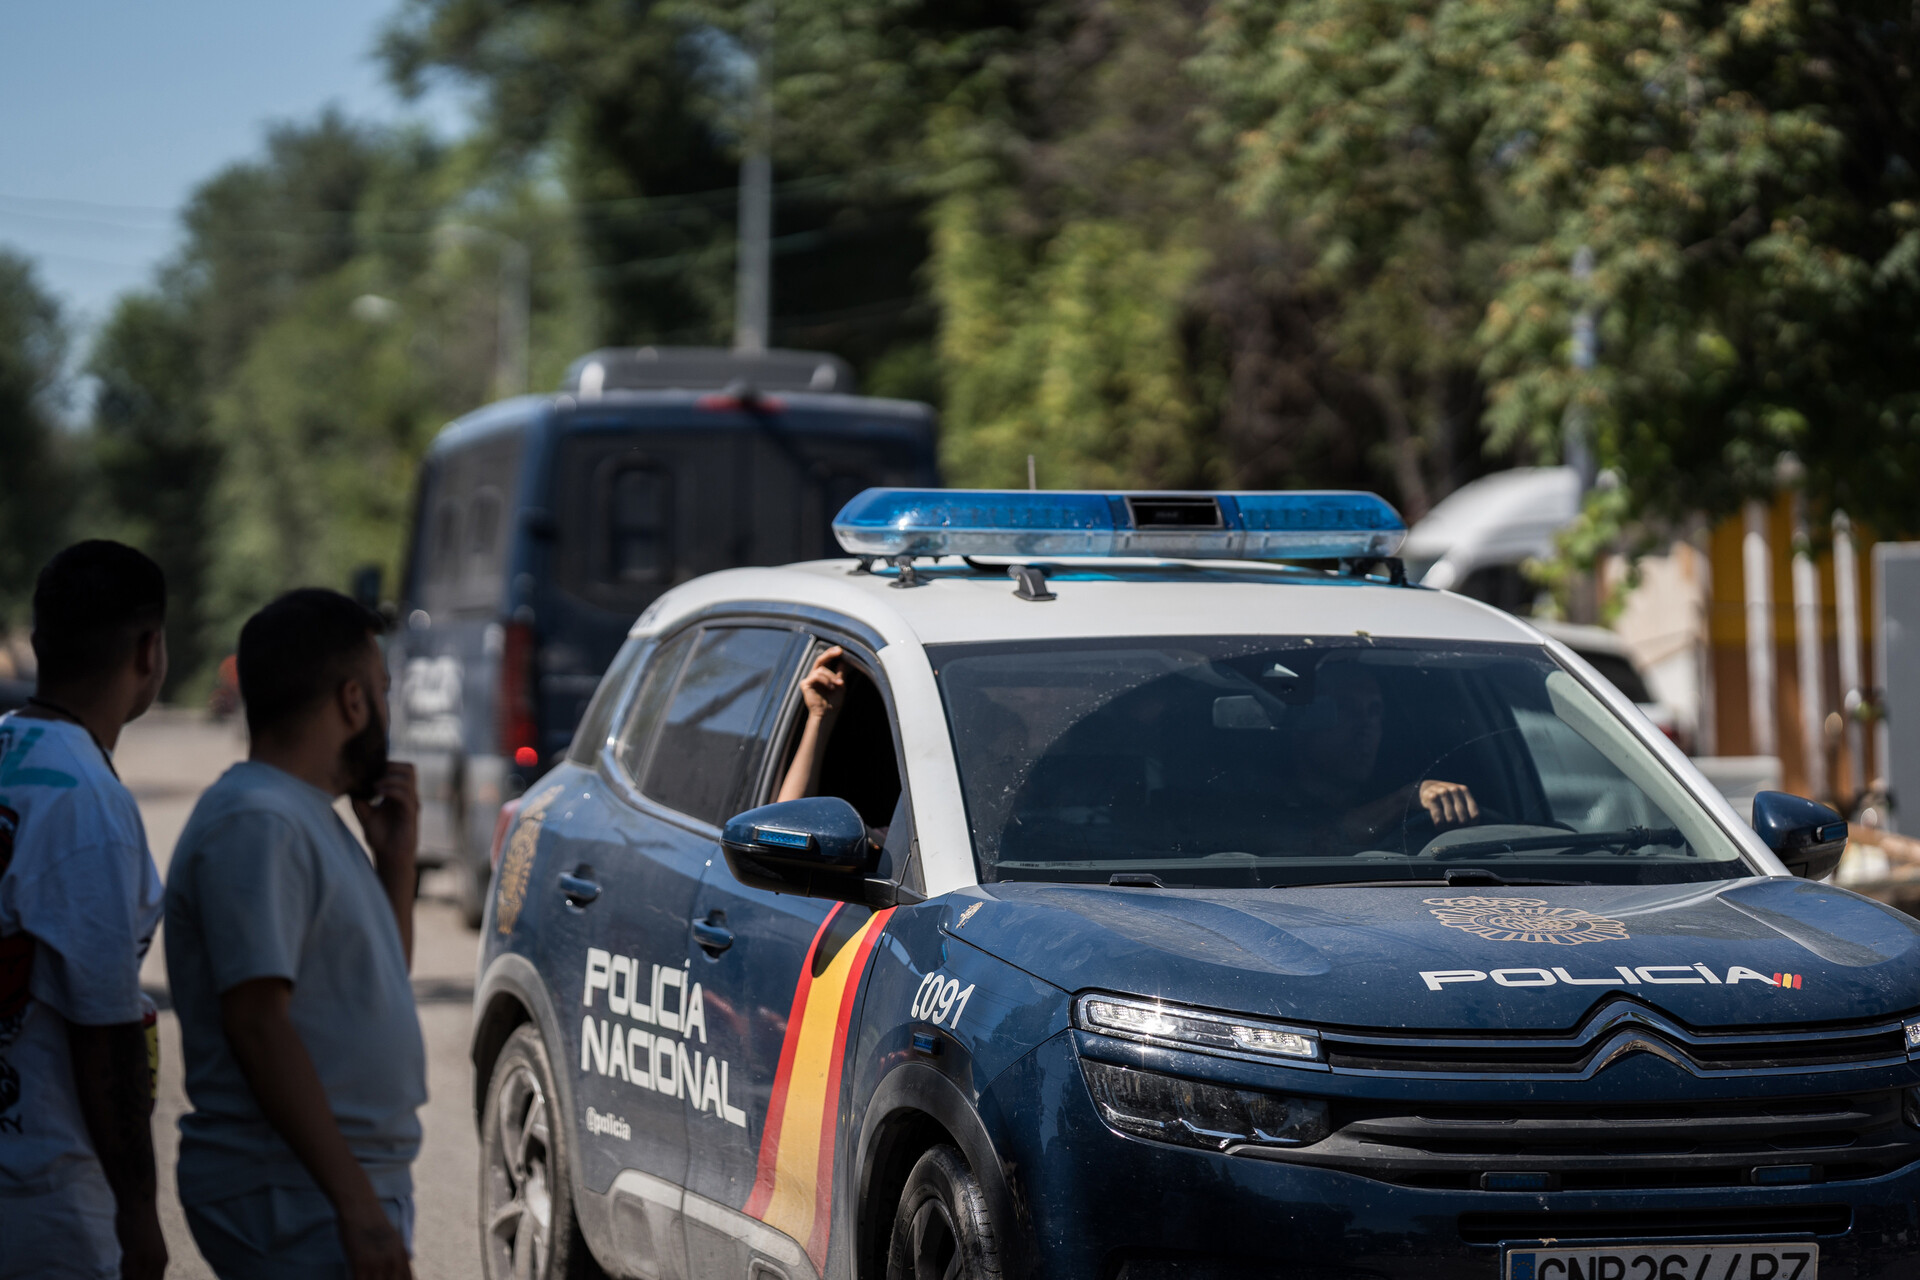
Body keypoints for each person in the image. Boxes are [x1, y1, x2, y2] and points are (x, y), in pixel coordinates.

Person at [164, 589, 423, 1280]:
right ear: (353, 702)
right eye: (382, 690)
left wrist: (396, 869)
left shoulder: (303, 815)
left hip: (321, 1187)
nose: (385, 710)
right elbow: (257, 1024)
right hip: (292, 1190)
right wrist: (359, 1211)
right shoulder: (260, 821)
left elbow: (373, 990)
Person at [0, 541, 170, 1280]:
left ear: (38, 646)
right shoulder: (89, 805)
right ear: (149, 651)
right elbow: (106, 1037)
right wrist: (138, 1215)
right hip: (42, 1201)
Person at [1294, 661, 1478, 847]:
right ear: (1303, 723)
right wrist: (1402, 800)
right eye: (1345, 708)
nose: (1366, 726)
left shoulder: (1397, 802)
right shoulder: (1268, 805)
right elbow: (1302, 845)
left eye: (1374, 711)